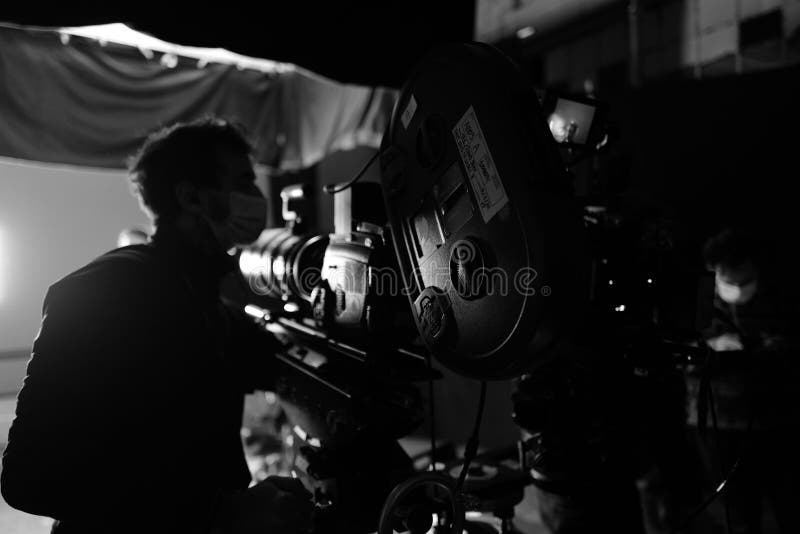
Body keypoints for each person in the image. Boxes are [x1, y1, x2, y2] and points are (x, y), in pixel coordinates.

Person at [1, 117, 314, 534]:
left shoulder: (205, 302)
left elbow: (267, 356)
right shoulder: (106, 291)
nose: (256, 198)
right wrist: (221, 514)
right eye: (242, 183)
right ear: (190, 196)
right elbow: (31, 479)